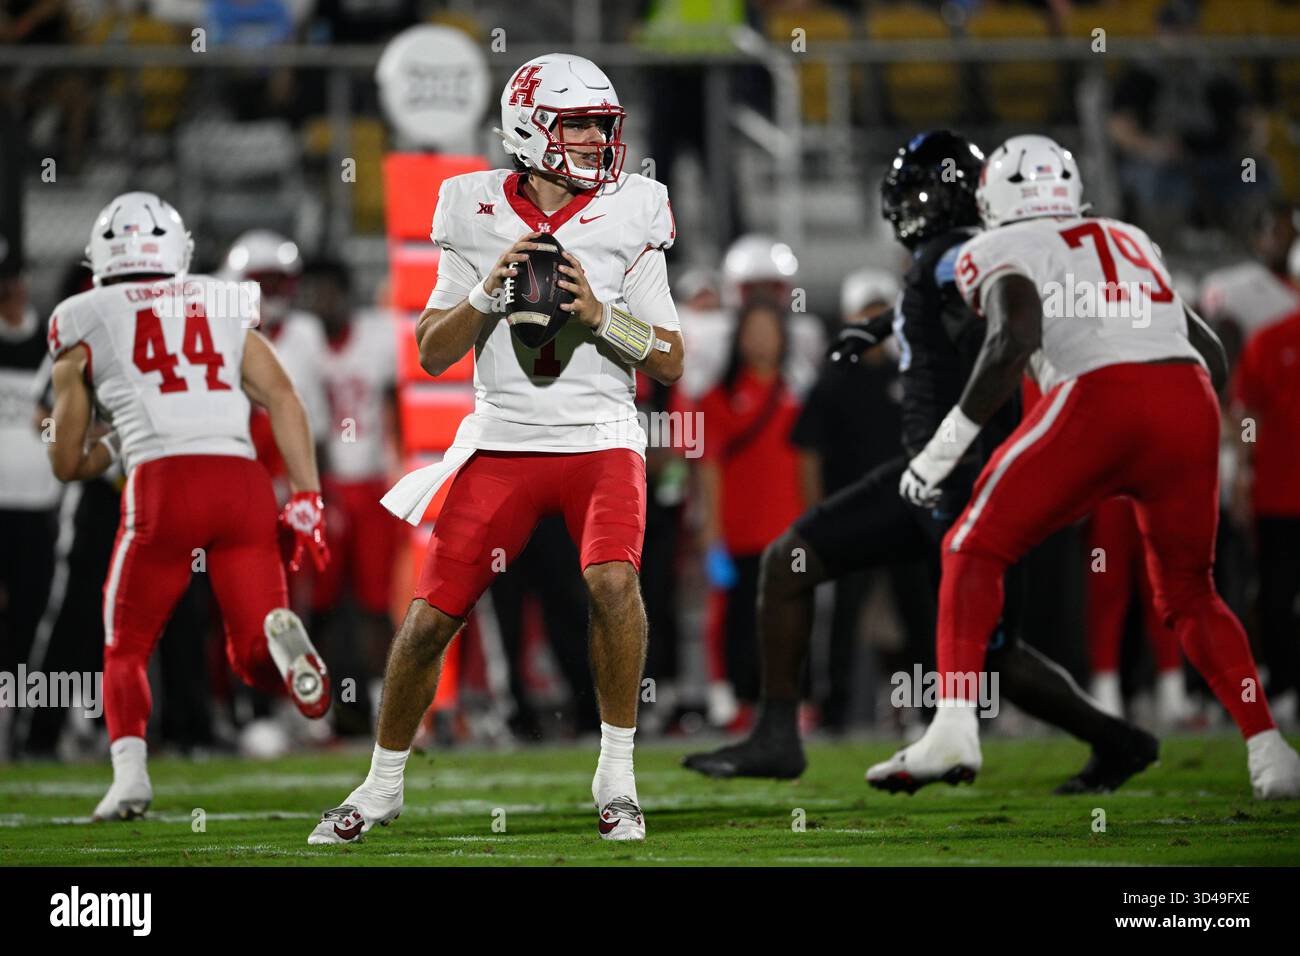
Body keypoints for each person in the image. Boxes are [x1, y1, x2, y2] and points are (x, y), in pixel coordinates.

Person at [685, 131, 1156, 794]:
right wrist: (878, 327)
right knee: (794, 565)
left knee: (991, 654)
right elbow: (944, 297)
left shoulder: (963, 253)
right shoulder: (953, 259)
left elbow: (986, 300)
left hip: (964, 479)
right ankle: (778, 733)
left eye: (913, 191)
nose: (902, 204)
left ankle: (1115, 740)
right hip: (930, 477)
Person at [309, 53, 682, 844]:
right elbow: (434, 351)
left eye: (599, 125)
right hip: (503, 437)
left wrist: (599, 316)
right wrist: (485, 293)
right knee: (428, 619)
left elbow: (671, 357)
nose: (593, 141)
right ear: (529, 128)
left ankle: (617, 778)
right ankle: (381, 786)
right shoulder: (470, 205)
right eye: (576, 124)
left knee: (614, 584)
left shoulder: (635, 206)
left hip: (601, 436)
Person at [869, 135, 1300, 800]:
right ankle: (1269, 750)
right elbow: (1209, 353)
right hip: (1188, 401)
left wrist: (942, 449)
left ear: (993, 197)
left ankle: (954, 725)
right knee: (1190, 592)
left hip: (1100, 399)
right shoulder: (1126, 238)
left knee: (971, 546)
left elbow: (1015, 334)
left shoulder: (993, 246)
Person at [45, 192, 333, 820]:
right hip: (242, 483)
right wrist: (307, 496)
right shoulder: (222, 299)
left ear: (102, 255)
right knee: (249, 650)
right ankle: (283, 656)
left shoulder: (82, 316)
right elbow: (284, 399)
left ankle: (129, 778)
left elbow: (66, 461)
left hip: (164, 484)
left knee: (126, 645)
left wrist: (111, 441)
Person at [696, 298, 806, 727]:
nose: (761, 340)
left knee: (789, 622)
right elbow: (708, 467)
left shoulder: (798, 393)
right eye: (753, 331)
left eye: (768, 330)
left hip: (788, 531)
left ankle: (791, 701)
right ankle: (741, 702)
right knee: (740, 622)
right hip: (739, 534)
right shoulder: (718, 397)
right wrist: (712, 531)